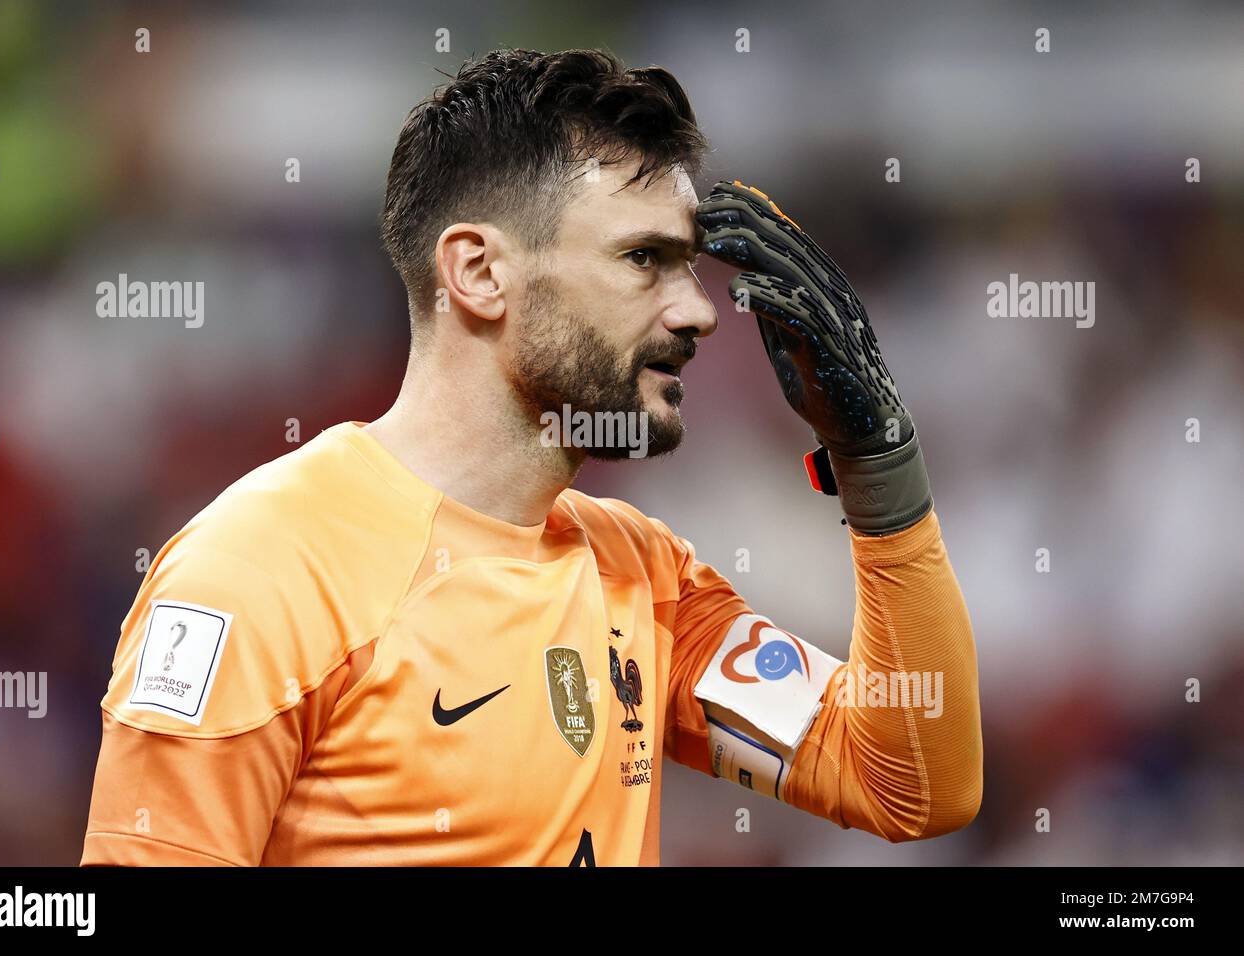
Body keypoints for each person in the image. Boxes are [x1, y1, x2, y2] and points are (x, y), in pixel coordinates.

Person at [81, 48, 981, 866]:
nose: (700, 311)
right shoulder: (260, 573)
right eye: (644, 259)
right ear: (478, 272)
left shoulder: (641, 576)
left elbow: (910, 782)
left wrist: (873, 466)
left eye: (692, 267)